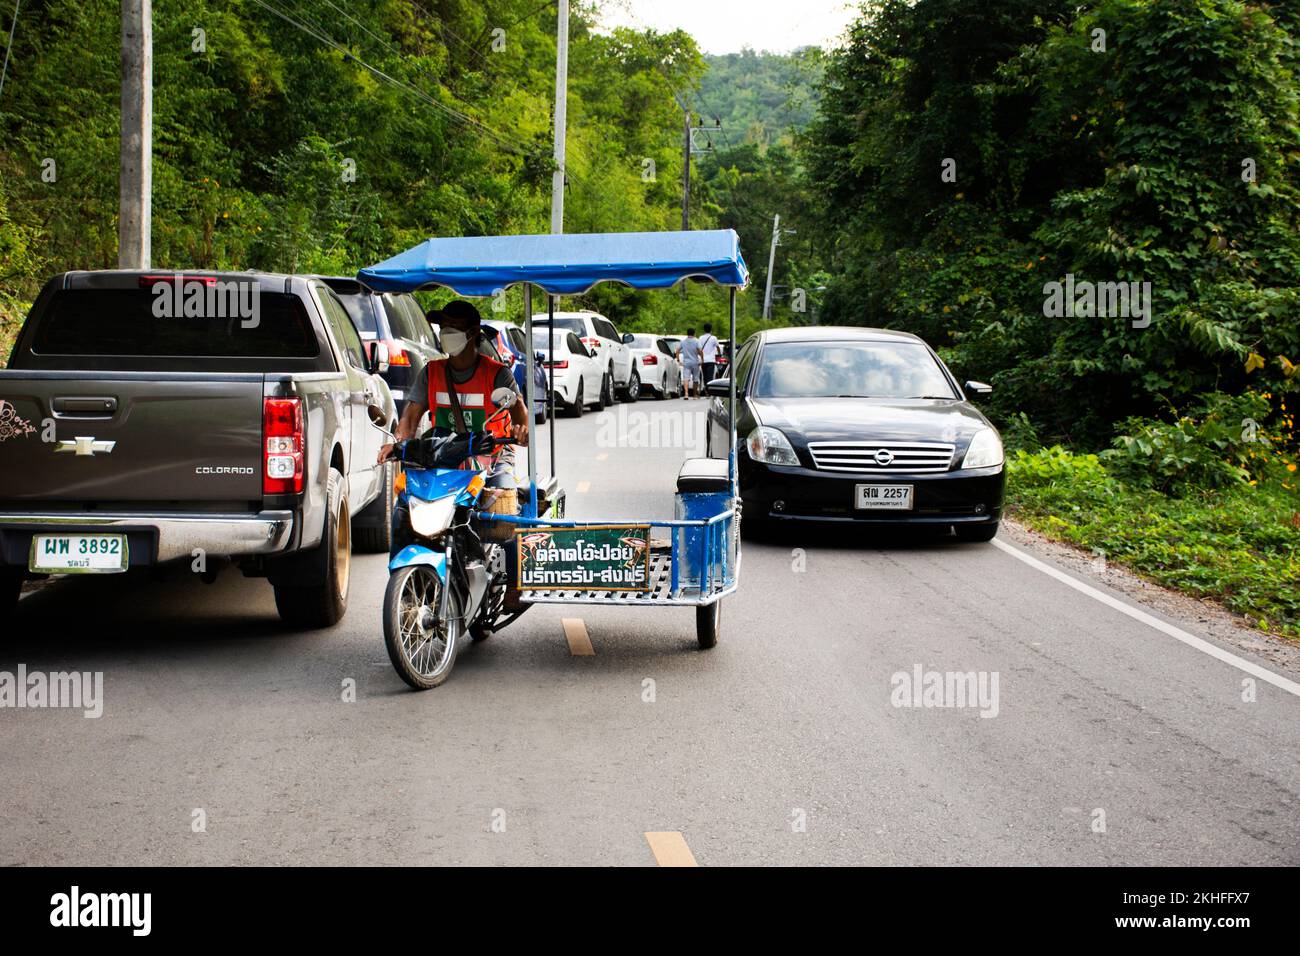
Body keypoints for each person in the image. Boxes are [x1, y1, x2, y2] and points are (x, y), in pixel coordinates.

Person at [378, 300, 530, 556]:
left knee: (506, 515)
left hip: (491, 457)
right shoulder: (431, 372)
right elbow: (410, 417)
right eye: (443, 326)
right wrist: (399, 442)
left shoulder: (497, 374)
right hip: (444, 456)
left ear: (471, 334)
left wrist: (521, 431)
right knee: (403, 509)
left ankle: (515, 589)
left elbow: (520, 415)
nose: (445, 333)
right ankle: (403, 585)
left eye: (453, 328)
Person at [677, 327, 703, 399]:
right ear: (694, 333)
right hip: (695, 362)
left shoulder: (683, 342)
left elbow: (677, 350)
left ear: (687, 333)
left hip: (686, 363)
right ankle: (694, 395)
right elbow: (700, 351)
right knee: (695, 379)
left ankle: (686, 393)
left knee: (686, 378)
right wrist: (702, 359)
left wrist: (678, 360)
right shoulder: (697, 341)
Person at [698, 323, 720, 389]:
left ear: (704, 330)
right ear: (711, 329)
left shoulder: (700, 338)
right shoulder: (714, 338)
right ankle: (709, 389)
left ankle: (706, 389)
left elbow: (699, 348)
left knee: (705, 376)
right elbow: (718, 347)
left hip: (703, 360)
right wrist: (719, 354)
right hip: (711, 360)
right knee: (710, 376)